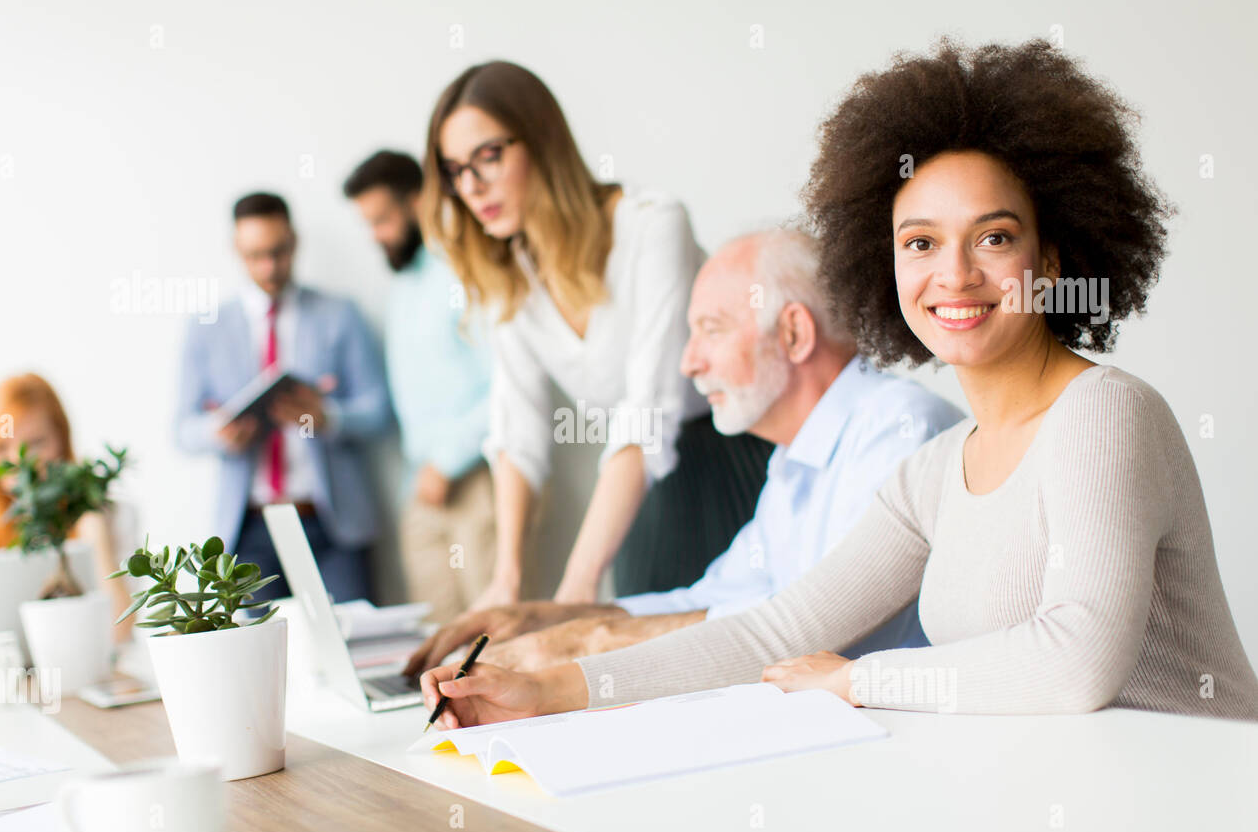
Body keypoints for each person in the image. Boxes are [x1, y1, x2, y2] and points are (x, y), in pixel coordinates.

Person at [420, 37, 1258, 726]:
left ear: (1053, 259)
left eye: (994, 238)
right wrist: (550, 691)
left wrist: (857, 680)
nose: (954, 274)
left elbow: (1076, 661)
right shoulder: (934, 474)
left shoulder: (1107, 413)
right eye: (920, 243)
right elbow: (777, 626)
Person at [405, 228, 962, 675]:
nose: (689, 363)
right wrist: (553, 616)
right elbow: (718, 597)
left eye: (710, 331)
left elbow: (817, 631)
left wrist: (584, 642)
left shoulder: (898, 433)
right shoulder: (793, 462)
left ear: (793, 333)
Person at [420, 60, 774, 607]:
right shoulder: (508, 271)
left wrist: (577, 586)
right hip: (641, 490)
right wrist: (505, 581)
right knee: (630, 650)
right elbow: (517, 430)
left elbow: (647, 412)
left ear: (542, 141)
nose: (472, 186)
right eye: (454, 170)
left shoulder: (652, 224)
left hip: (727, 461)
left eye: (488, 156)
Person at [175, 192, 392, 603]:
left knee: (356, 646)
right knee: (263, 656)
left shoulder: (340, 314)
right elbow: (181, 430)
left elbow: (378, 411)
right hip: (250, 528)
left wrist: (327, 418)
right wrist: (217, 432)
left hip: (331, 525)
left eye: (279, 252)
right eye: (256, 255)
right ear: (236, 250)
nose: (270, 267)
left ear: (294, 241)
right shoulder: (207, 328)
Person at [343, 150, 497, 622]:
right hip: (422, 488)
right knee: (436, 638)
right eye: (368, 223)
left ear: (419, 200)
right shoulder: (401, 287)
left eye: (383, 219)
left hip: (478, 478)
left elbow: (510, 385)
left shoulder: (469, 269)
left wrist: (447, 462)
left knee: (492, 634)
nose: (376, 235)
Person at [0, 373, 137, 641]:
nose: (20, 461)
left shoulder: (113, 515)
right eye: (1, 447)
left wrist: (95, 532)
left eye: (35, 443)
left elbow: (120, 633)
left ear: (62, 440)